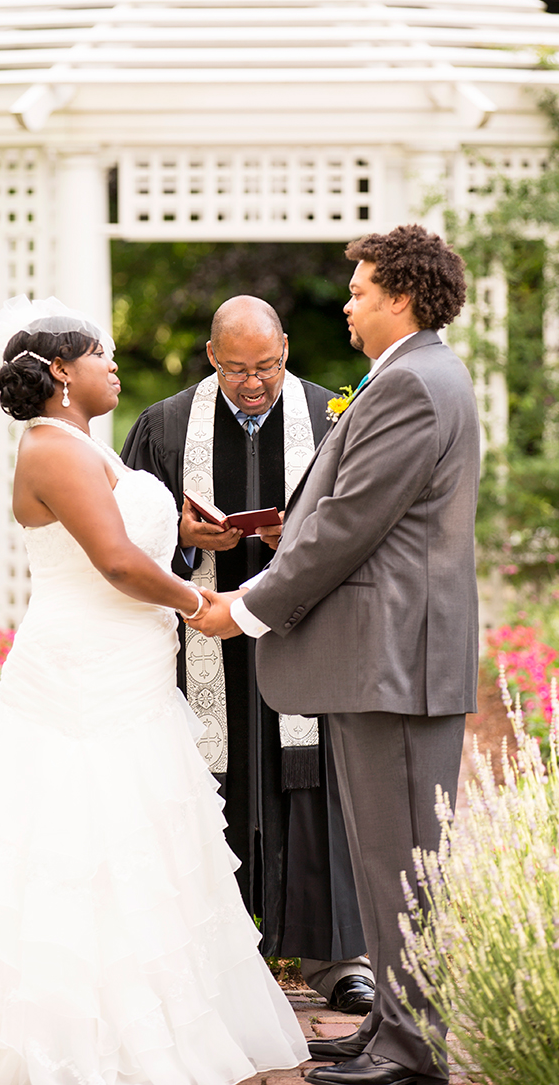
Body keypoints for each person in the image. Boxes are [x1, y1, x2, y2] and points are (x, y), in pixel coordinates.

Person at [0, 294, 306, 1085]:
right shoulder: (50, 450)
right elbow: (111, 562)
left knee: (138, 843)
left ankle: (145, 1015)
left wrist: (185, 534)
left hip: (130, 673)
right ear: (65, 376)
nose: (116, 366)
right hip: (82, 678)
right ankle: (60, 1027)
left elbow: (123, 532)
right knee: (72, 840)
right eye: (102, 355)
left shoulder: (88, 449)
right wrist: (199, 603)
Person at [193, 227, 480, 1085]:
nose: (347, 304)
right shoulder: (413, 376)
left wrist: (246, 609)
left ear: (398, 295)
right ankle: (391, 1025)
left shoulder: (414, 386)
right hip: (387, 659)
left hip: (395, 662)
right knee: (387, 860)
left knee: (402, 865)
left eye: (357, 290)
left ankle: (412, 1047)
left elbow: (349, 528)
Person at [121, 296, 375, 1014]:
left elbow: (366, 524)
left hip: (304, 637)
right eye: (237, 369)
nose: (254, 382)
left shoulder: (334, 417)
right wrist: (183, 538)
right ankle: (213, 961)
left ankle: (335, 959)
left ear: (287, 350)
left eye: (267, 365)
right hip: (210, 644)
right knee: (210, 792)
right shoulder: (167, 426)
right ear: (211, 358)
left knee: (314, 787)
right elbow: (124, 542)